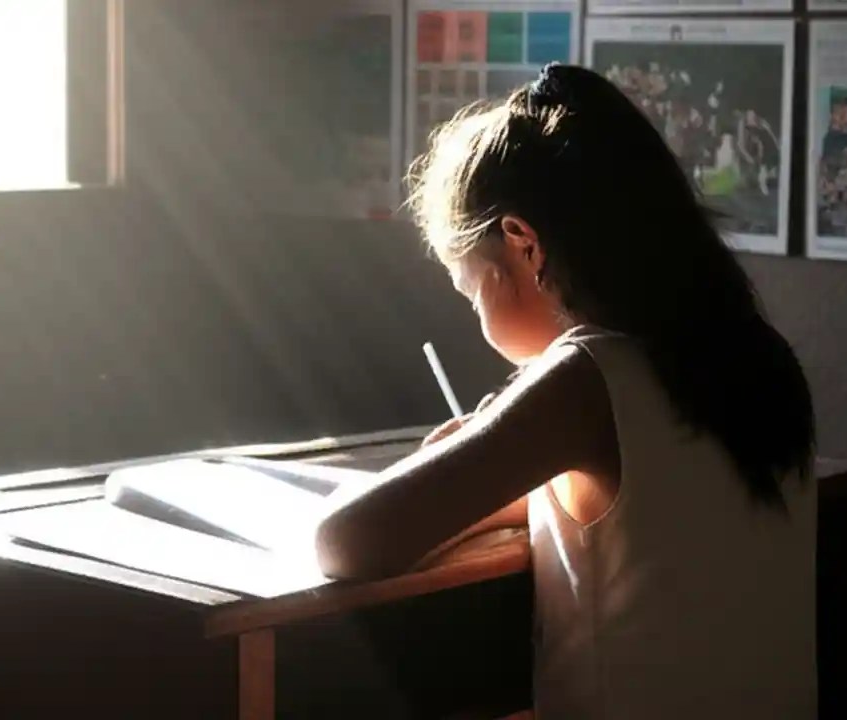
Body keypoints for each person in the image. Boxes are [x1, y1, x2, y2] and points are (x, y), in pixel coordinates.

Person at [314, 64, 817, 719]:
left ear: (523, 243)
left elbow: (346, 540)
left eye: (471, 290)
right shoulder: (756, 356)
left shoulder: (586, 379)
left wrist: (461, 459)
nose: (475, 313)